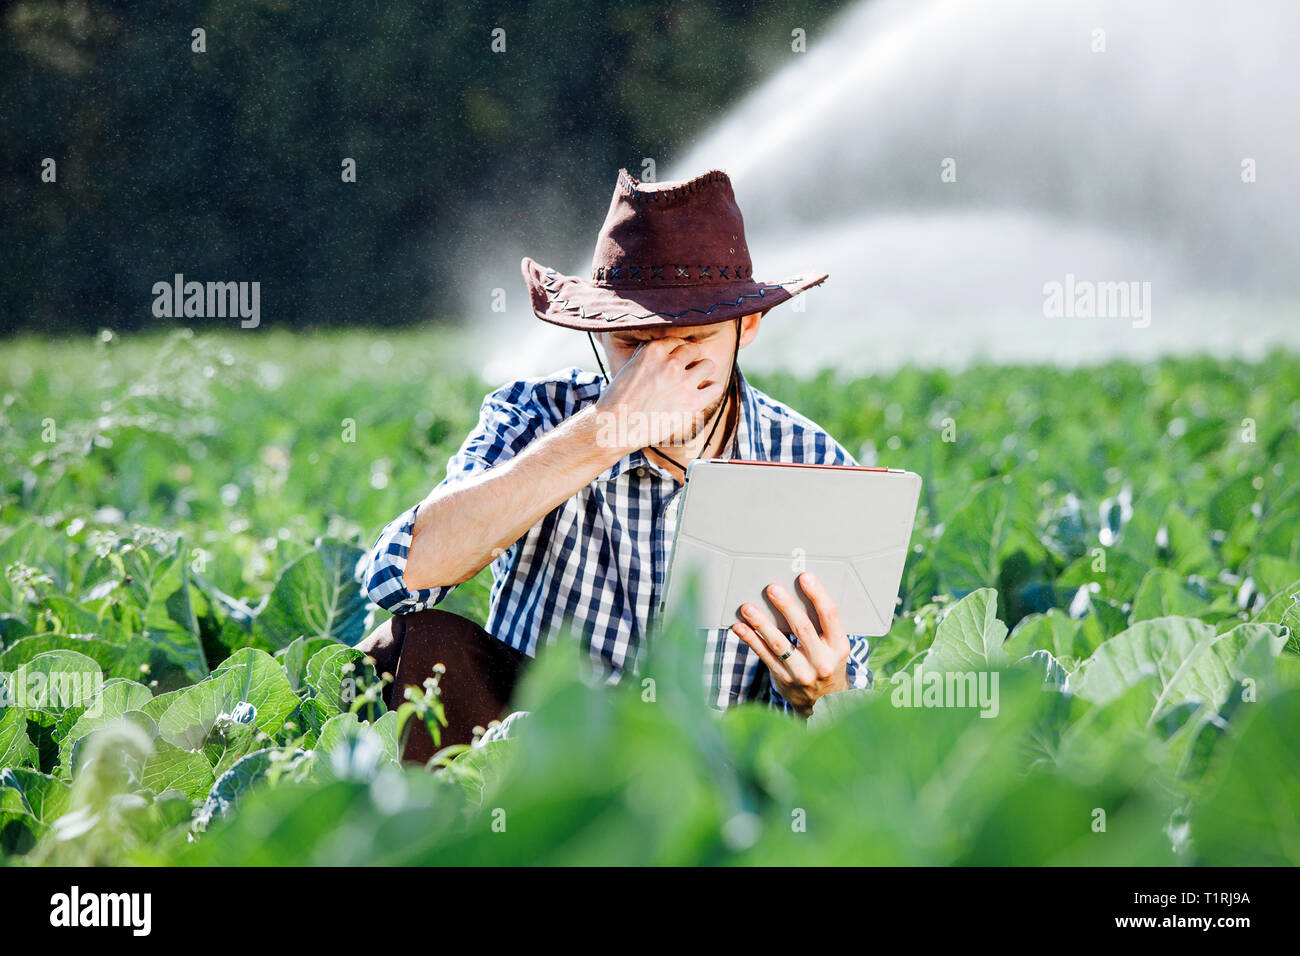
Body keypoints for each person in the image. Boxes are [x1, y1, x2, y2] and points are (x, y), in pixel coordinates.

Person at [358, 168, 871, 757]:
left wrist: (823, 691)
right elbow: (397, 577)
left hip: (706, 790)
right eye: (634, 344)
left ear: (747, 326)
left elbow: (847, 721)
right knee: (414, 644)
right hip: (535, 762)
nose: (659, 377)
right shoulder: (534, 415)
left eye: (690, 344)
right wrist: (603, 432)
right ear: (596, 332)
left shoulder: (812, 464)